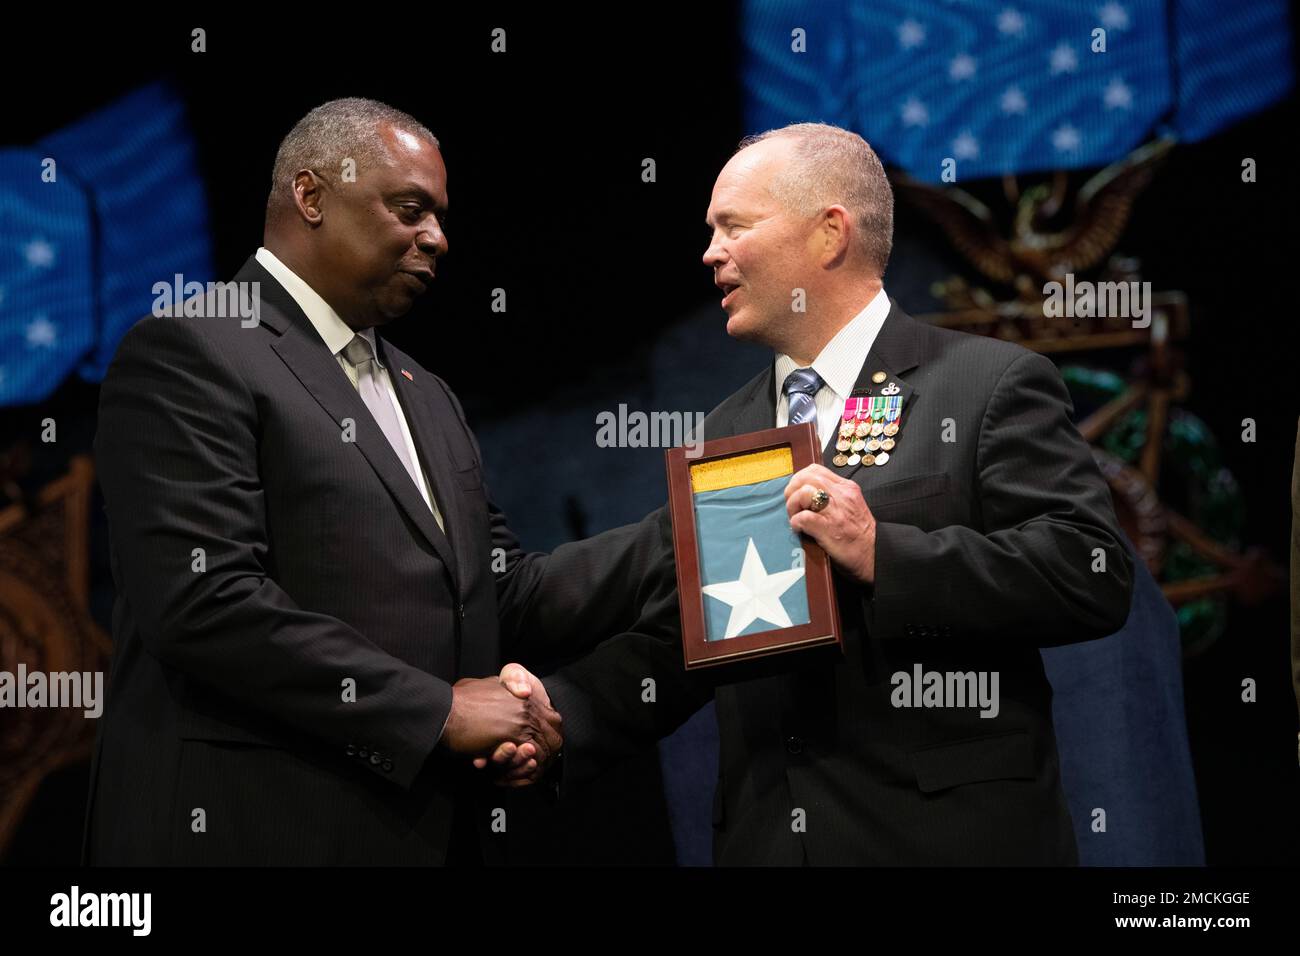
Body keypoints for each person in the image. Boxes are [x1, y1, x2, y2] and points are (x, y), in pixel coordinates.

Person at [501, 122, 1136, 865]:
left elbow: (1089, 569)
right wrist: (562, 714)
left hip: (944, 844)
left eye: (733, 226)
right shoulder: (730, 424)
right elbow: (707, 624)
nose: (710, 252)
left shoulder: (987, 383)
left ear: (829, 233)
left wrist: (882, 554)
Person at [85, 98, 651, 865]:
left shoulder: (427, 393)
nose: (438, 239)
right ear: (311, 195)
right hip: (244, 832)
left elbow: (501, 593)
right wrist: (439, 714)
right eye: (410, 208)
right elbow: (204, 602)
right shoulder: (191, 349)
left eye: (441, 217)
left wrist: (688, 531)